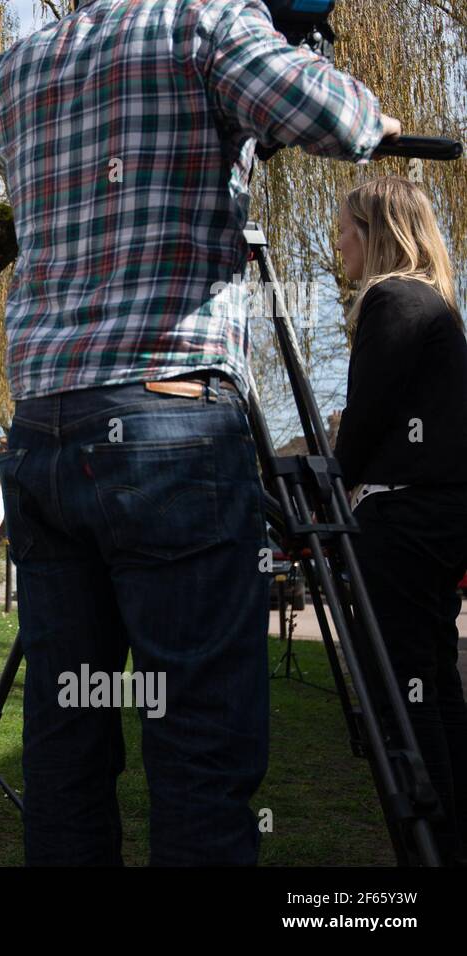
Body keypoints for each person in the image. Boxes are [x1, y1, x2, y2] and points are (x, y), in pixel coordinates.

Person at [0, 0, 399, 864]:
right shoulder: (207, 23)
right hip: (167, 420)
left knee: (67, 732)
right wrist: (377, 115)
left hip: (45, 426)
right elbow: (335, 118)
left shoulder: (24, 58)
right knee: (198, 735)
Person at [335, 175, 467, 866]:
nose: (340, 244)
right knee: (433, 678)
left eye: (348, 231)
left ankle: (428, 845)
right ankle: (450, 838)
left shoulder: (392, 300)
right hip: (440, 515)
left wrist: (335, 484)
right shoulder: (437, 305)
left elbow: (365, 420)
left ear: (377, 232)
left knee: (398, 685)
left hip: (405, 516)